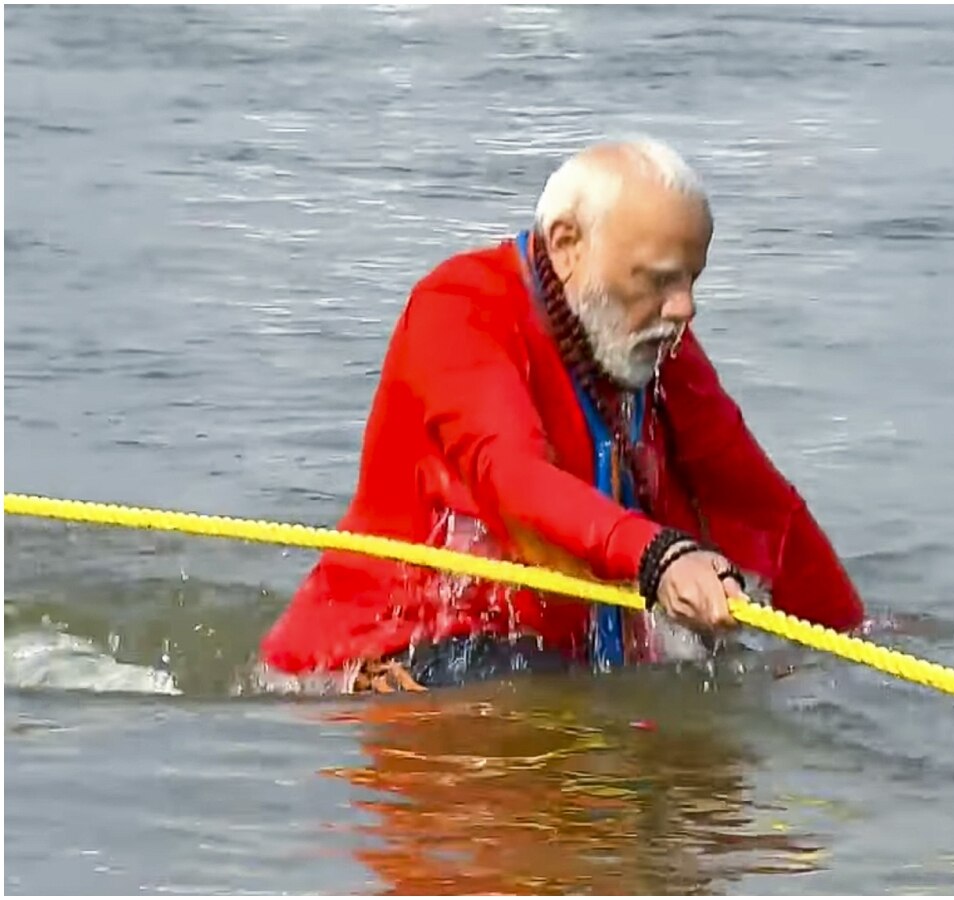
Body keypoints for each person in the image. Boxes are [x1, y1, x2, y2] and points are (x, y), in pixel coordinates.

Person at [259, 138, 865, 692]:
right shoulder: (458, 309)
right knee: (568, 709)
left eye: (691, 279)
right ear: (567, 243)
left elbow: (755, 497)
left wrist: (852, 640)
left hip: (554, 652)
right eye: (659, 280)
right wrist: (661, 556)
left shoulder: (650, 336)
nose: (684, 307)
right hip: (401, 651)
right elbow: (513, 474)